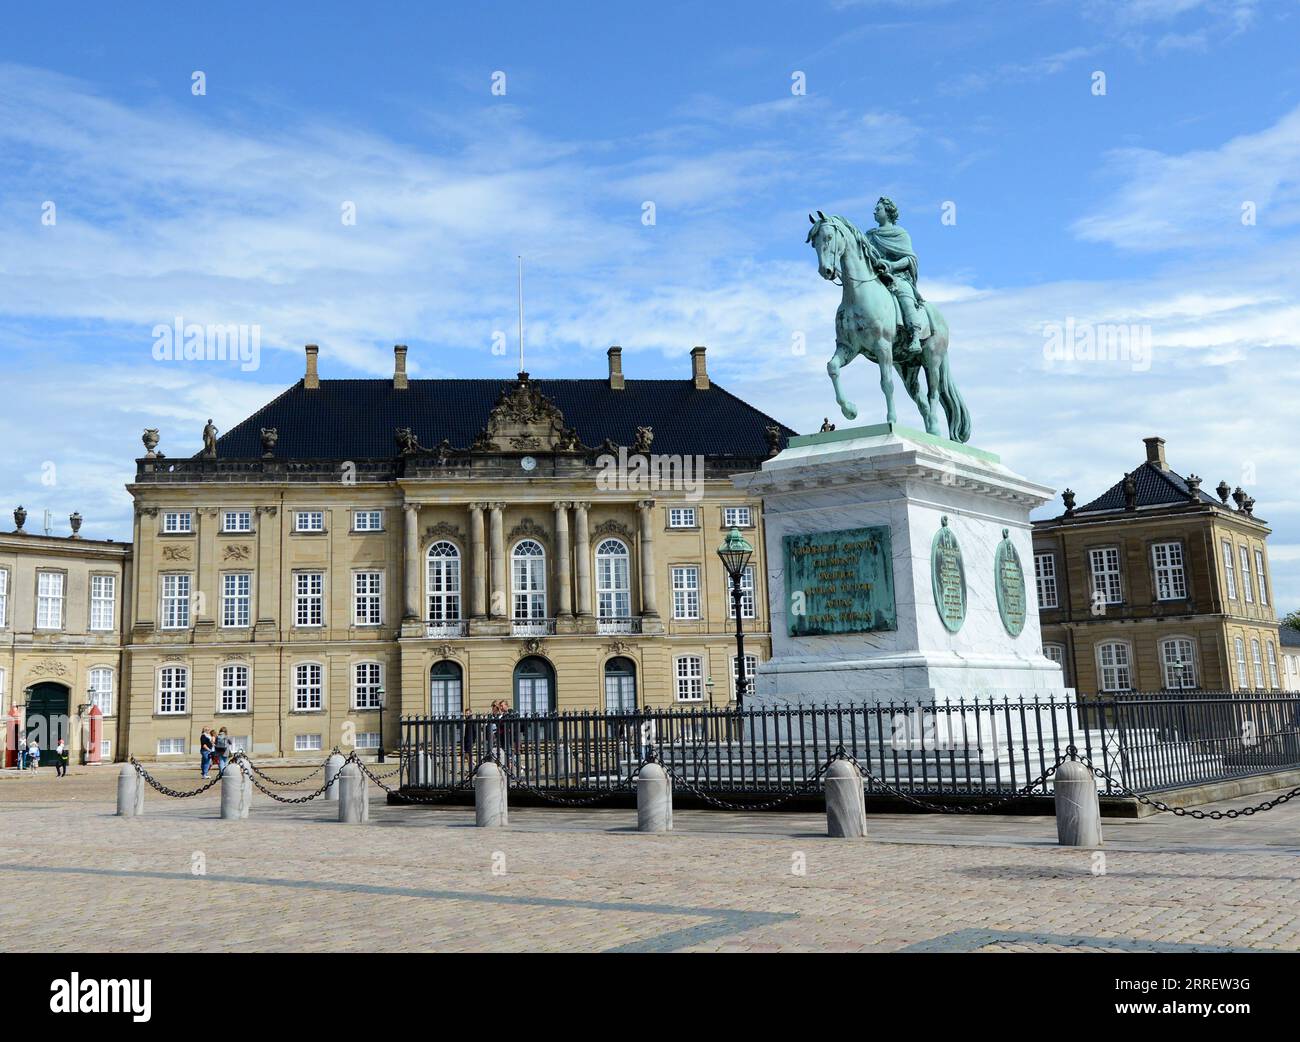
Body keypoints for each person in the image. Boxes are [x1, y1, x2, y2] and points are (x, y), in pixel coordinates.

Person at [865, 196, 926, 356]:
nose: (874, 212)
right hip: (875, 276)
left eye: (878, 209)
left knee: (903, 291)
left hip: (898, 276)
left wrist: (891, 266)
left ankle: (915, 334)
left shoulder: (900, 233)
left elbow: (910, 258)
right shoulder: (870, 235)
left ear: (888, 212)